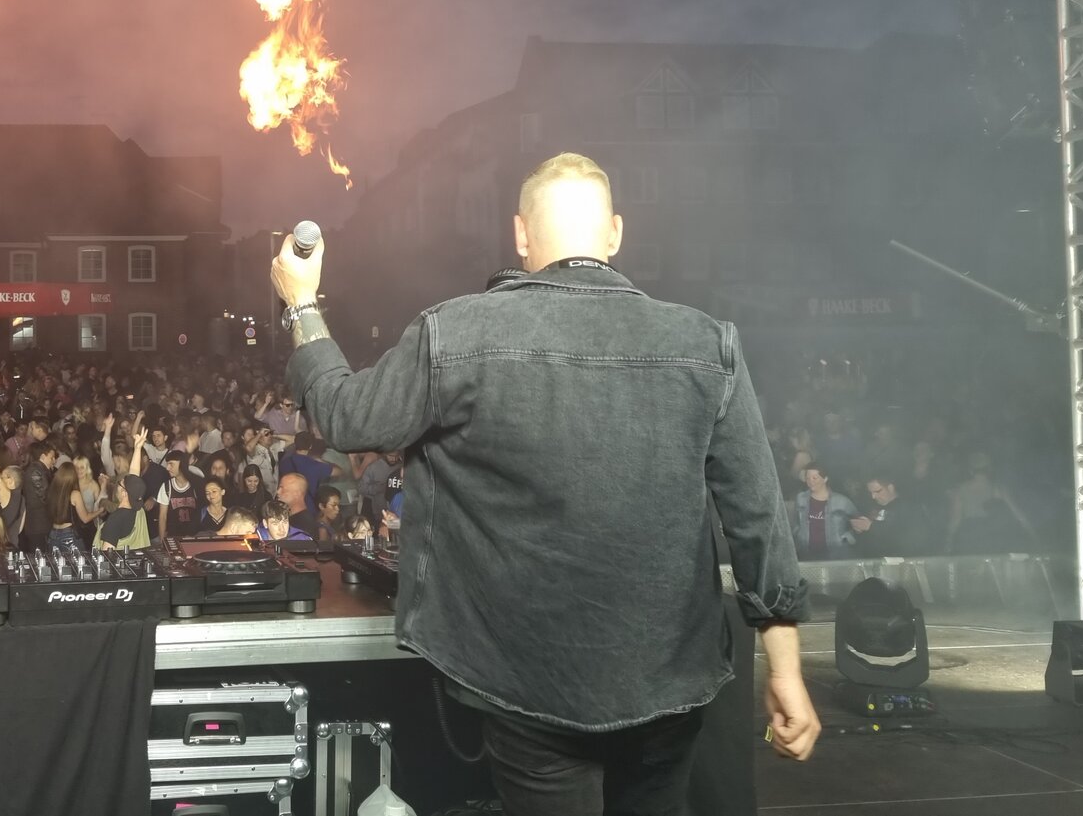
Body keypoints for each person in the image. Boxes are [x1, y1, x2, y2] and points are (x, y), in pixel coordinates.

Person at [271, 152, 819, 813]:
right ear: (615, 234)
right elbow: (757, 515)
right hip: (670, 684)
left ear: (522, 236)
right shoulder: (708, 343)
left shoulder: (456, 332)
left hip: (526, 688)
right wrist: (785, 669)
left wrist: (301, 302)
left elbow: (344, 415)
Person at [852, 476, 934, 558]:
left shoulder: (910, 508)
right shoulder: (872, 507)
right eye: (871, 493)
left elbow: (907, 538)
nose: (873, 496)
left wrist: (872, 526)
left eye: (878, 491)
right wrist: (860, 530)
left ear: (890, 488)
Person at [793, 466, 858, 561]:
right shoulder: (800, 499)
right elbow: (795, 522)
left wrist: (846, 538)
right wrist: (798, 535)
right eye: (808, 478)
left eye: (815, 478)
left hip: (835, 554)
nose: (811, 481)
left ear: (825, 479)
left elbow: (858, 523)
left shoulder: (842, 501)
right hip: (807, 554)